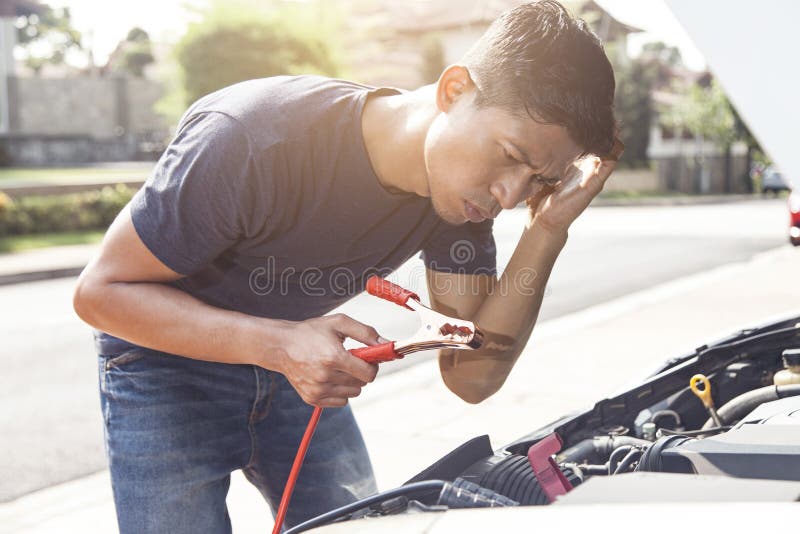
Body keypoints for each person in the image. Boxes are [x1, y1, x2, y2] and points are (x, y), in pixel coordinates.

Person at [73, 1, 621, 532]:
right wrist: (276, 344)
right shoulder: (252, 139)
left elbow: (471, 377)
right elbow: (99, 293)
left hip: (296, 361)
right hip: (166, 362)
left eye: (536, 180)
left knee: (356, 526)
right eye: (511, 155)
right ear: (456, 90)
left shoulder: (459, 202)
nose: (508, 195)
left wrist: (546, 229)